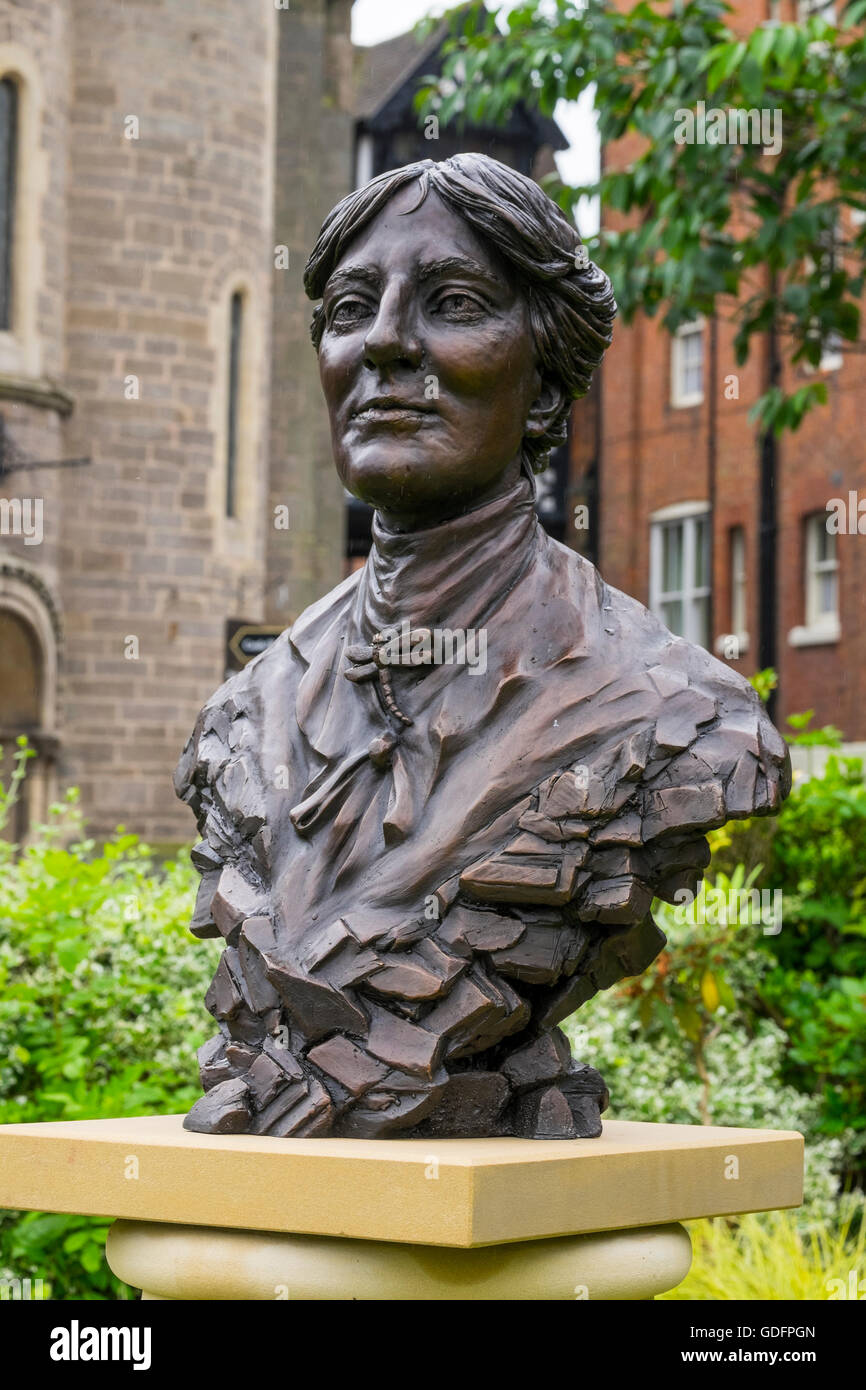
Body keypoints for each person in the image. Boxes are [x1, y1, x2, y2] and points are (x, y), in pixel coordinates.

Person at [176, 154, 790, 1140]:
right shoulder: (241, 717)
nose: (382, 345)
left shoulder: (676, 720)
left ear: (544, 391)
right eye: (348, 311)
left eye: (452, 304)